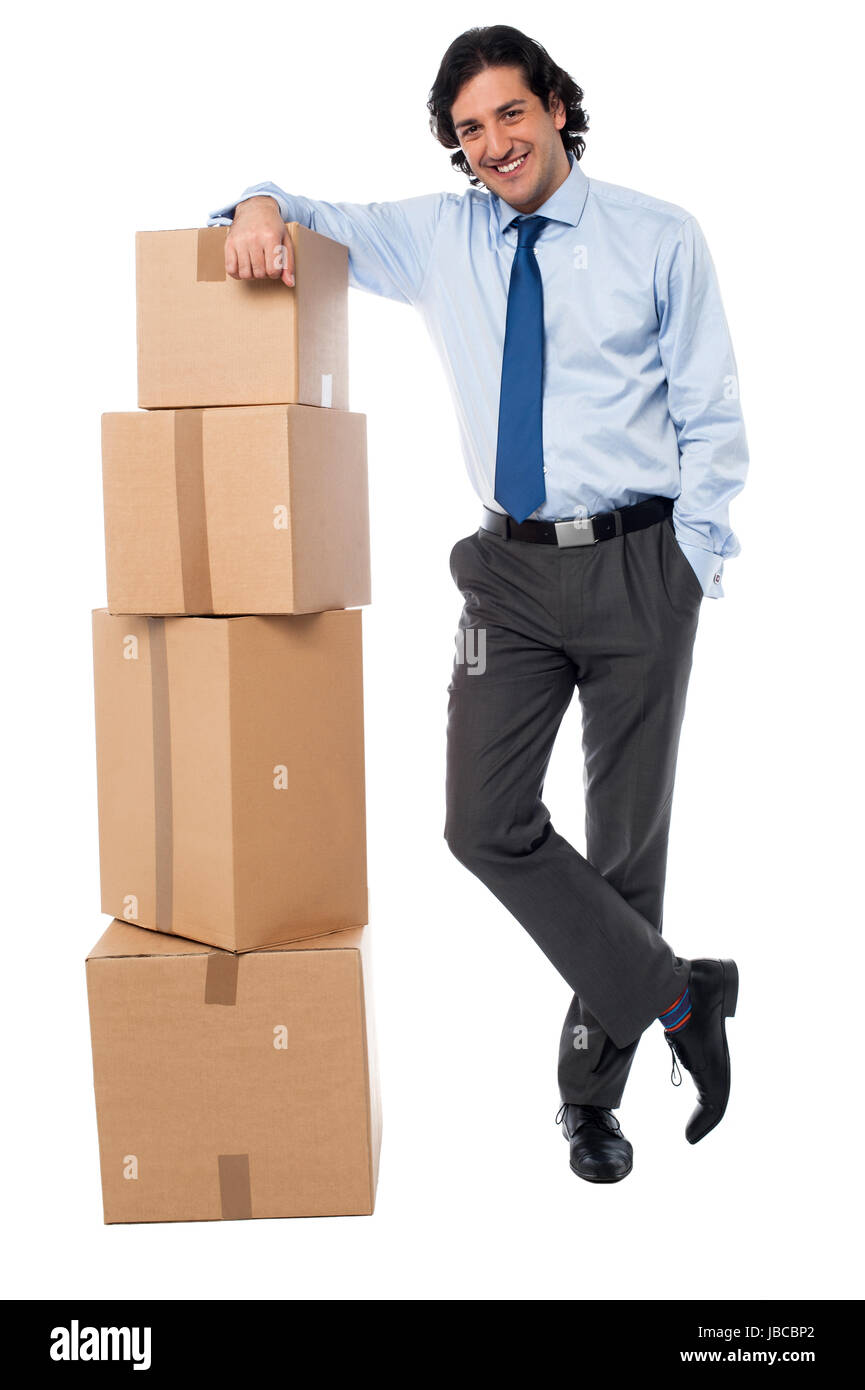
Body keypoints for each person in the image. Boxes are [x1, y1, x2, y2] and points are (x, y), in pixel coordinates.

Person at [208, 23, 747, 1184]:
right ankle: (675, 994)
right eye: (468, 129)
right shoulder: (440, 236)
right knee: (480, 822)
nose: (494, 144)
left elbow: (711, 413)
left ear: (555, 105)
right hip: (505, 569)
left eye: (510, 113)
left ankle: (588, 1102)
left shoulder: (659, 235)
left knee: (623, 848)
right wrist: (254, 205)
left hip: (639, 561)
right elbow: (299, 211)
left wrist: (691, 558)